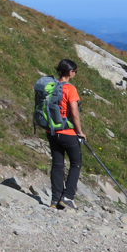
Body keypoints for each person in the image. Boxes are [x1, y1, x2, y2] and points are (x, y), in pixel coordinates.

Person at [48, 58, 86, 210]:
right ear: (70, 72)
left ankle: (55, 199)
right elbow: (75, 114)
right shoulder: (70, 89)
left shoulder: (51, 86)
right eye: (75, 72)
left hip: (51, 131)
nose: (75, 74)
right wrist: (80, 132)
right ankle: (68, 196)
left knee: (57, 164)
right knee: (76, 163)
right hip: (67, 133)